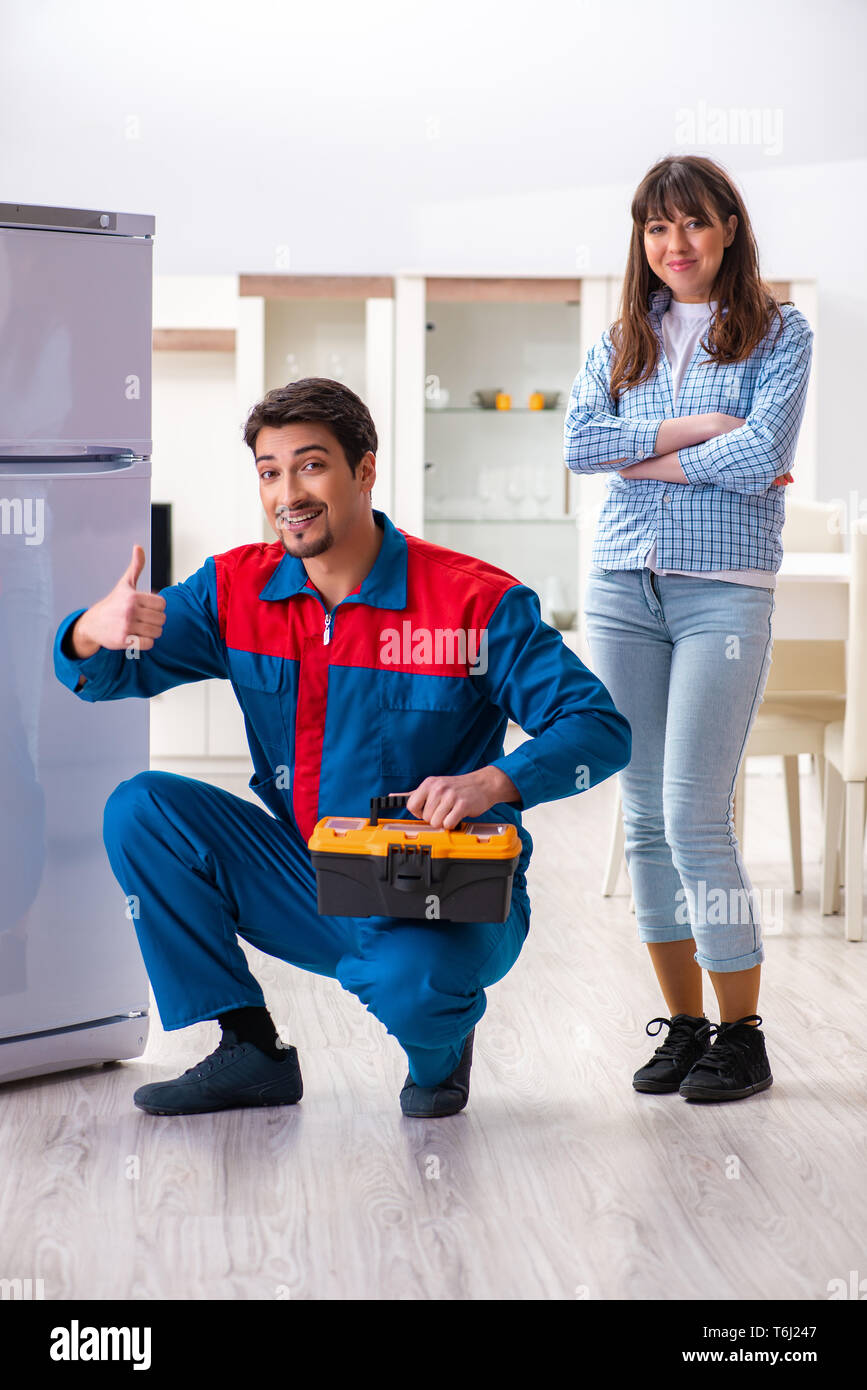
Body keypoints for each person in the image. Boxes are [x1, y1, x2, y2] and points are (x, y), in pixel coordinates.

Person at [53, 377, 631, 1119]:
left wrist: (493, 781)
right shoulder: (235, 589)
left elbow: (598, 728)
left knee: (412, 989)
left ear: (364, 470)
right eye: (270, 471)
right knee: (143, 808)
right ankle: (249, 1049)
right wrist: (86, 632)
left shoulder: (472, 601)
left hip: (439, 891)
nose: (287, 491)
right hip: (309, 876)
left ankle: (439, 1045)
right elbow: (105, 678)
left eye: (311, 464)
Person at [565, 154, 813, 1102]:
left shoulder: (779, 332)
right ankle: (685, 1026)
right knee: (639, 821)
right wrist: (694, 429)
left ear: (729, 232)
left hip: (725, 592)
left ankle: (743, 1034)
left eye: (694, 225)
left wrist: (654, 457)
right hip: (623, 585)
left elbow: (764, 456)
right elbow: (580, 443)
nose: (675, 246)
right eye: (656, 229)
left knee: (692, 817)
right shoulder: (622, 336)